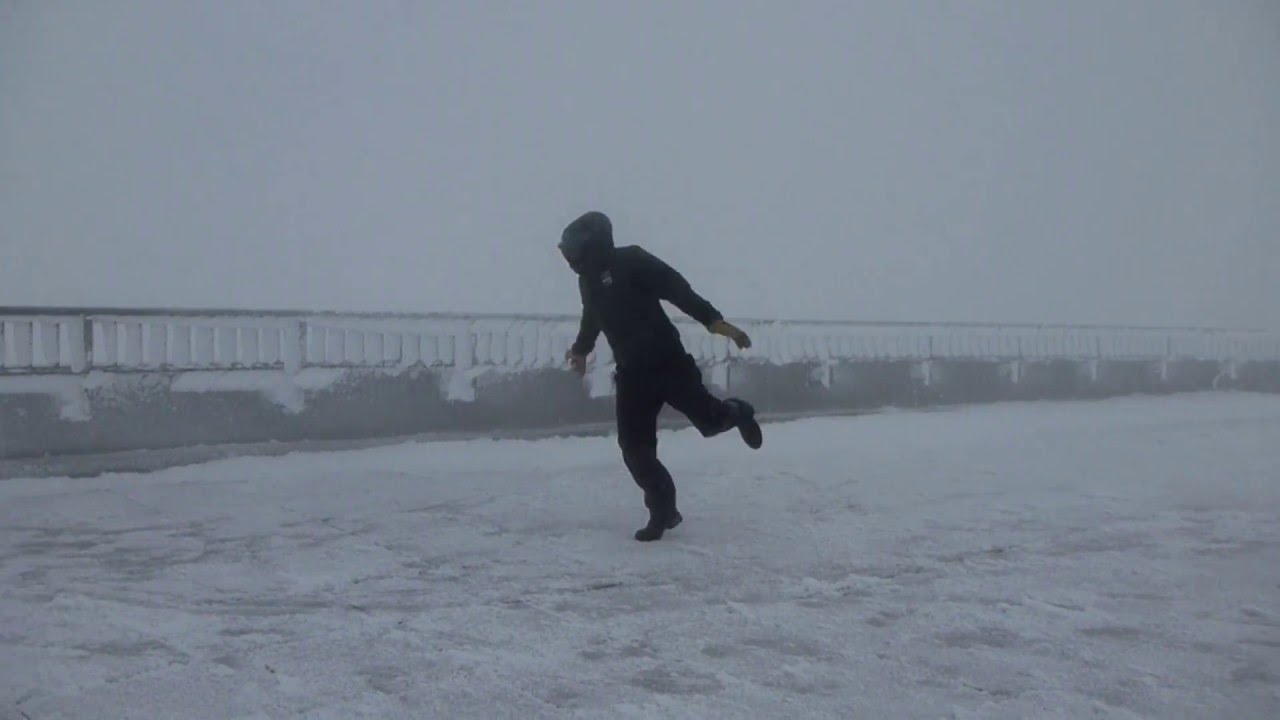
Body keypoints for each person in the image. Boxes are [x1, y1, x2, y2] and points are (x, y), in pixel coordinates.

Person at [558, 210, 763, 542]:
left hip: (669, 364)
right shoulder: (588, 281)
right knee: (635, 450)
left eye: (571, 250)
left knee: (710, 424)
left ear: (590, 246)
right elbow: (592, 318)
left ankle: (738, 412)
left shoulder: (632, 260)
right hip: (632, 375)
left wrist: (713, 320)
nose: (568, 259)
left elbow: (676, 289)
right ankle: (663, 511)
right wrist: (581, 350)